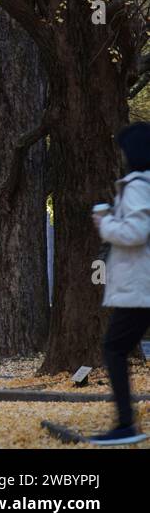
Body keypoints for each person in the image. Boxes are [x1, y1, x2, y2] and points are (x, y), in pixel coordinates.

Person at [88, 123, 150, 445]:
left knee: (114, 348)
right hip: (141, 288)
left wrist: (106, 222)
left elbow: (135, 233)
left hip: (140, 289)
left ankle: (126, 425)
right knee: (116, 347)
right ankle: (125, 423)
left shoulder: (139, 184)